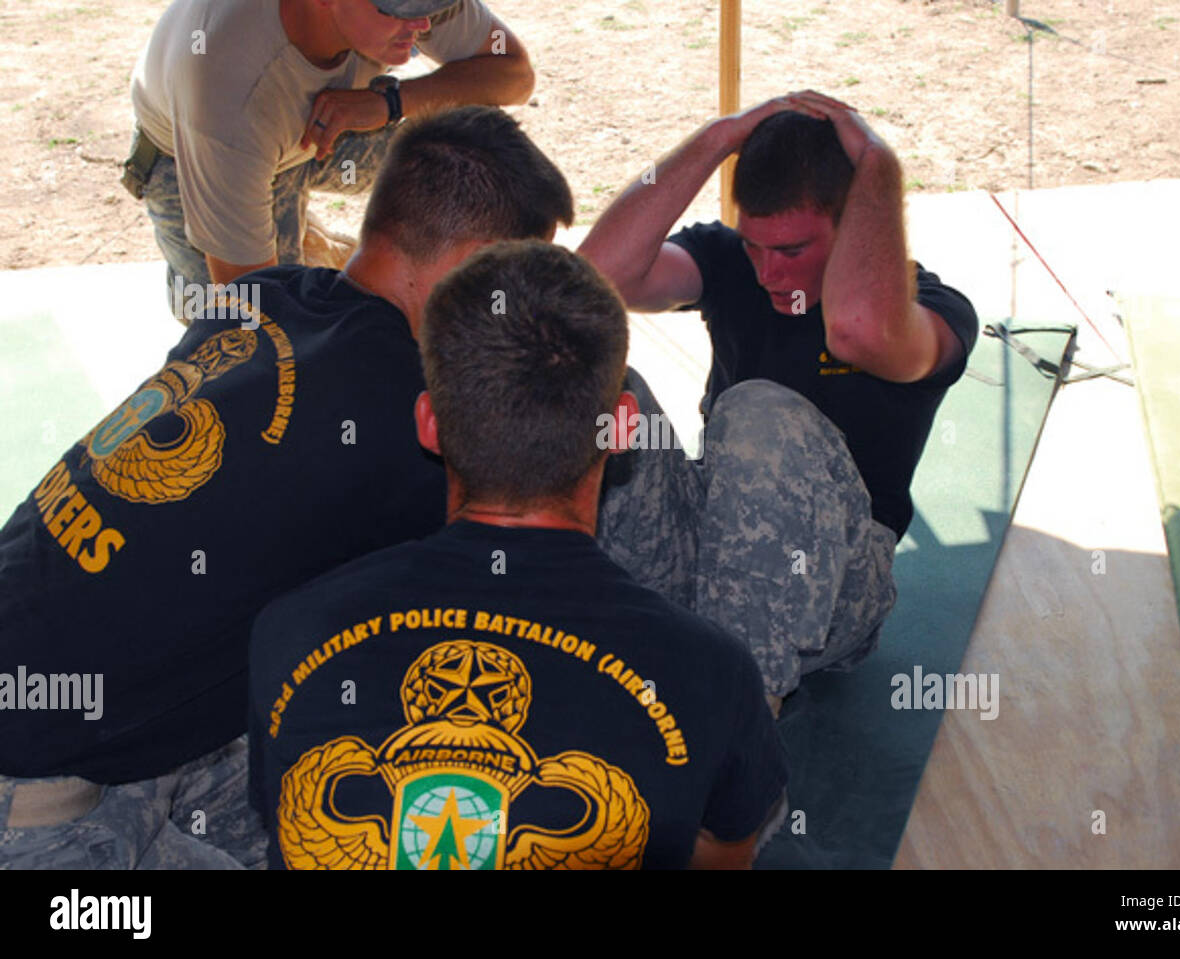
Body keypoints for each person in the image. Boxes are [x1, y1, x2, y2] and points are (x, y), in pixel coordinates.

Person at [0, 107, 573, 869]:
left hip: (76, 710)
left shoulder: (268, 295)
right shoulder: (405, 421)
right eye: (521, 274)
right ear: (475, 261)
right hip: (40, 806)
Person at [248, 241, 787, 870]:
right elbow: (724, 858)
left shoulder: (287, 632)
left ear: (428, 423)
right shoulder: (712, 673)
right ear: (621, 427)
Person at [579, 90, 979, 713]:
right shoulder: (734, 265)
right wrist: (718, 139)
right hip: (709, 551)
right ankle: (587, 621)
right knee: (593, 378)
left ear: (852, 225)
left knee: (756, 409)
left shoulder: (929, 313)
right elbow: (592, 283)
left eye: (792, 251)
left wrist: (878, 163)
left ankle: (738, 719)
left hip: (832, 593)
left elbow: (856, 330)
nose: (767, 273)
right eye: (753, 247)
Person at [123, 0, 534, 319]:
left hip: (328, 125)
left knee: (476, 142)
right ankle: (231, 254)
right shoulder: (226, 92)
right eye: (398, 9)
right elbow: (252, 312)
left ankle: (392, 277)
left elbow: (513, 74)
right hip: (197, 157)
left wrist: (390, 101)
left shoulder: (401, 16)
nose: (423, 24)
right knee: (229, 343)